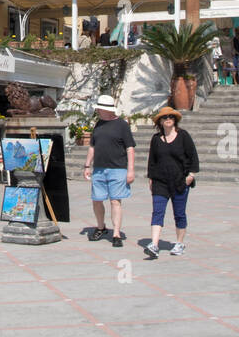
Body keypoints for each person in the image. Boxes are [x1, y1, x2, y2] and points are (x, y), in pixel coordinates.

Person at [144, 106, 199, 259]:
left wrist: (191, 175)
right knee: (157, 212)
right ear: (160, 122)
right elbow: (152, 161)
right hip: (160, 182)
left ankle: (179, 243)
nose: (168, 119)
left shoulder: (183, 136)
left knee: (179, 214)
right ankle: (154, 244)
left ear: (175, 120)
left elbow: (193, 157)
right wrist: (151, 178)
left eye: (171, 117)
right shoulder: (156, 139)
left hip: (180, 181)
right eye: (164, 117)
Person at [84, 94, 134, 249]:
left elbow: (130, 148)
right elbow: (92, 146)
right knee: (97, 199)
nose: (98, 111)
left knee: (115, 201)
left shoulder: (122, 125)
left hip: (118, 168)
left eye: (101, 109)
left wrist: (130, 170)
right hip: (99, 169)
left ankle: (116, 233)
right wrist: (87, 165)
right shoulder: (98, 124)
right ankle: (101, 227)